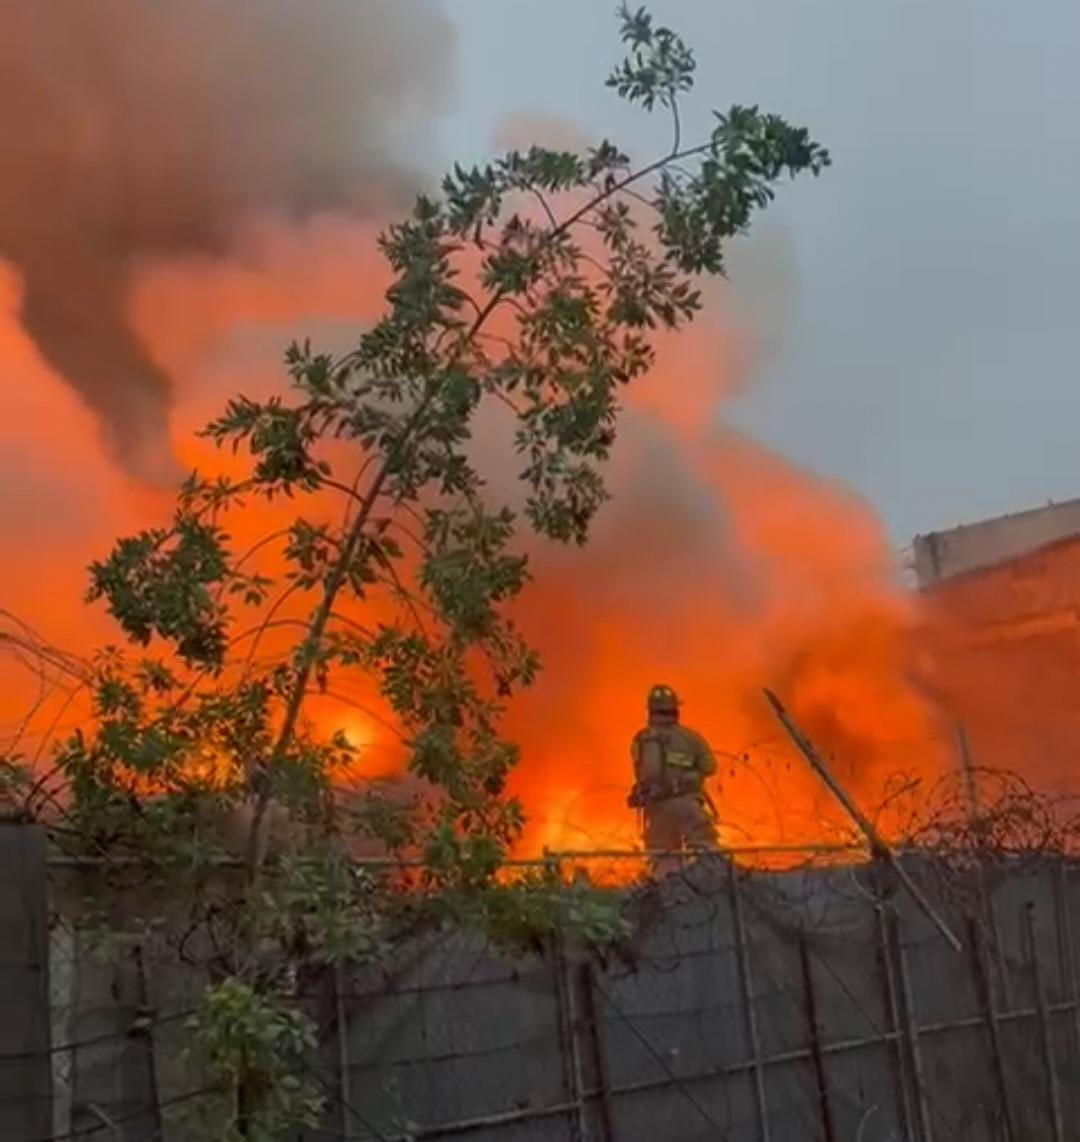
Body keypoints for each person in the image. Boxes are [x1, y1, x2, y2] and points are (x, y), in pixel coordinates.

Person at [628, 684, 719, 875]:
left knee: (663, 861)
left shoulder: (642, 738)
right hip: (688, 806)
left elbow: (640, 771)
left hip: (657, 809)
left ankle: (671, 896)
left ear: (650, 711)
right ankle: (710, 893)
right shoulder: (691, 738)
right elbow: (710, 767)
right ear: (675, 710)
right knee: (706, 853)